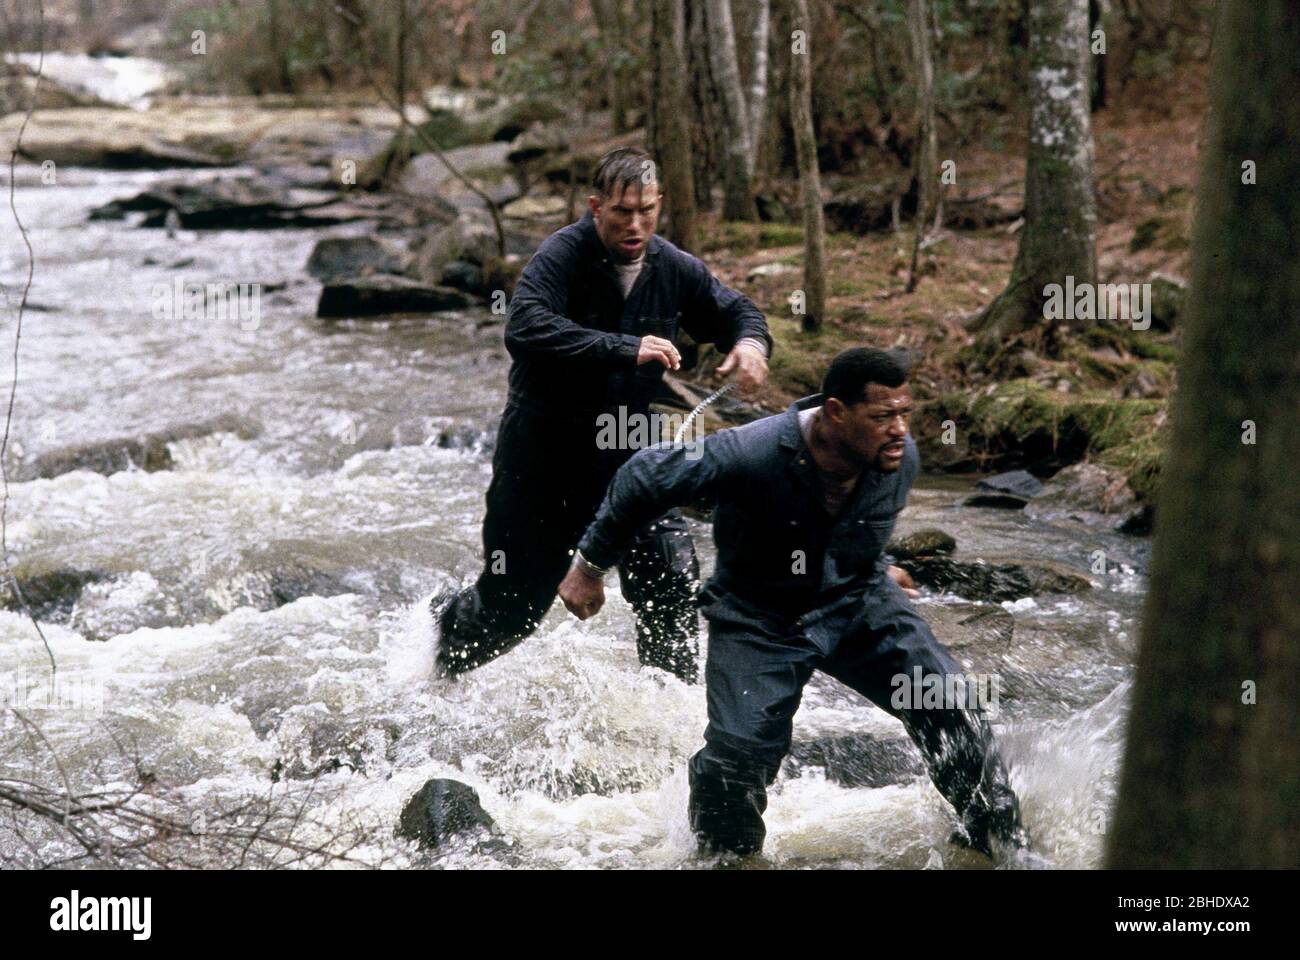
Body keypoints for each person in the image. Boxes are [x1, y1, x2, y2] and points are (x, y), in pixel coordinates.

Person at [557, 347, 1032, 859]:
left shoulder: (899, 458)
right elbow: (645, 476)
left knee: (950, 702)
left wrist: (870, 561)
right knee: (737, 757)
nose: (899, 430)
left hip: (858, 602)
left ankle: (997, 844)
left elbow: (852, 527)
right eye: (882, 416)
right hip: (757, 617)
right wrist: (589, 568)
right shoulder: (749, 451)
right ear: (835, 412)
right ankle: (726, 859)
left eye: (904, 414)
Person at [433, 147, 772, 683]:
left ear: (660, 205)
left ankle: (669, 725)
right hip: (542, 462)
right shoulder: (562, 255)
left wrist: (751, 345)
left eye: (647, 211)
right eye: (622, 212)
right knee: (512, 613)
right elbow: (524, 328)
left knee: (671, 583)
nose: (635, 225)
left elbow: (736, 310)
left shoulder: (675, 267)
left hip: (630, 460)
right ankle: (434, 654)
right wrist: (622, 347)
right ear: (596, 207)